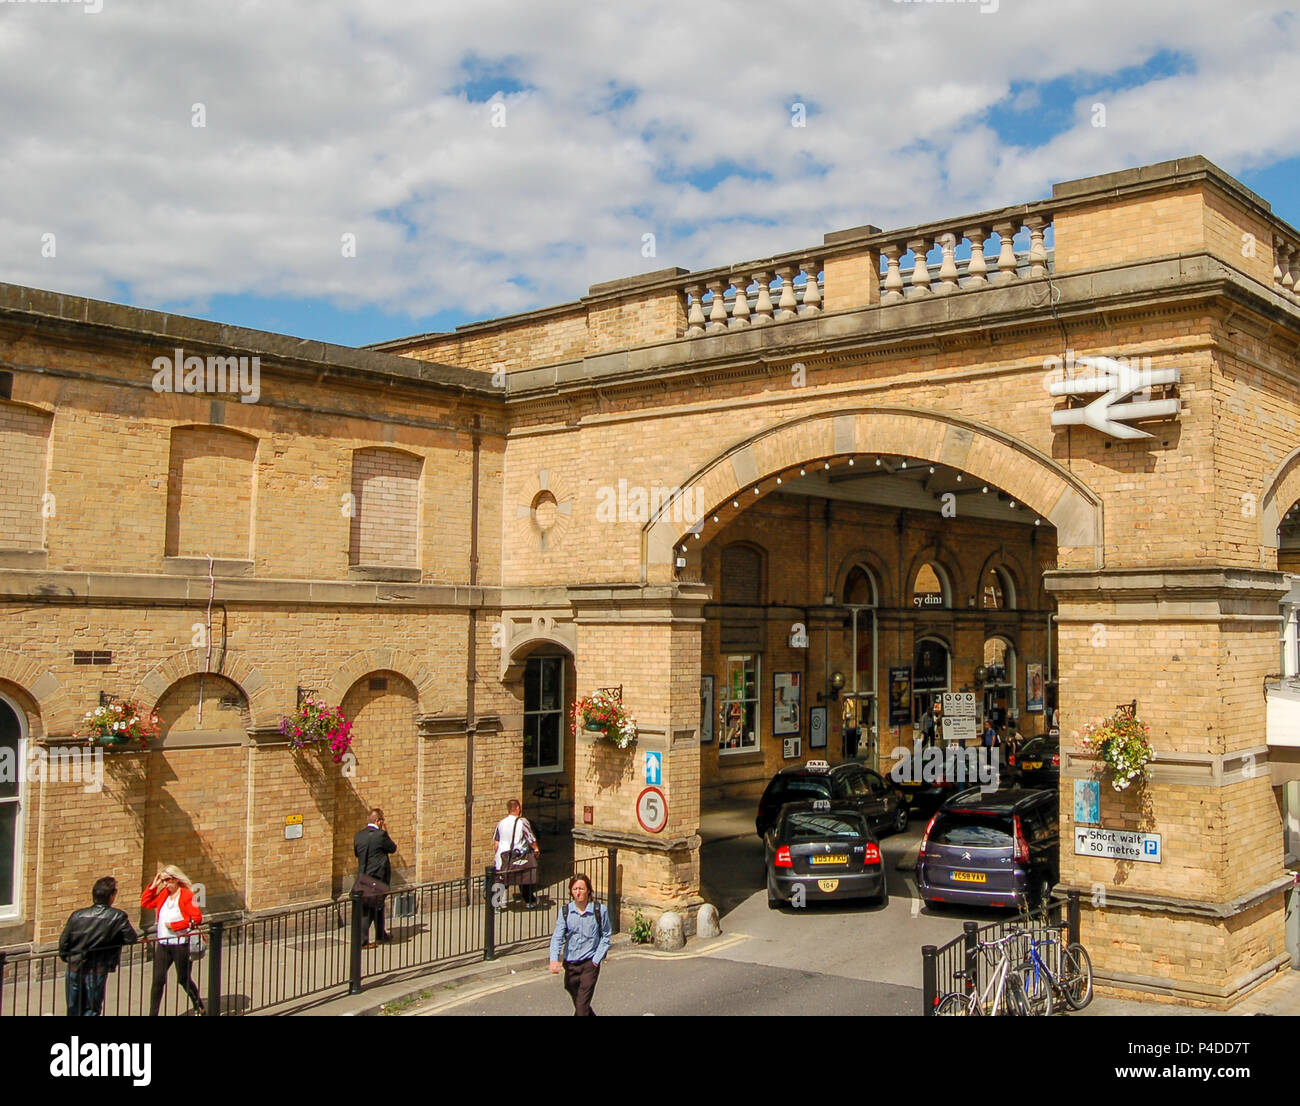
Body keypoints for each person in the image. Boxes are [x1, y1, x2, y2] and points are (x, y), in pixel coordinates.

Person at [59, 876, 138, 1016]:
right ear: (111, 896)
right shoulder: (117, 916)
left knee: (73, 1007)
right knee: (92, 1008)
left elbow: (64, 942)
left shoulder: (77, 915)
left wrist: (68, 957)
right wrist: (112, 940)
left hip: (75, 966)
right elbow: (131, 938)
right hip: (97, 968)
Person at [141, 865, 204, 1016]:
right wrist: (153, 886)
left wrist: (175, 926)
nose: (165, 884)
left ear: (176, 879)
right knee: (157, 981)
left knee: (183, 979)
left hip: (180, 944)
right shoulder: (163, 894)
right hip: (163, 944)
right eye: (162, 881)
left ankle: (198, 1005)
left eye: (167, 880)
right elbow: (146, 903)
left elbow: (197, 918)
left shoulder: (188, 895)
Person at [549, 873, 612, 1016]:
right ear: (571, 891)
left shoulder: (599, 910)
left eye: (582, 889)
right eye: (575, 889)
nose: (578, 892)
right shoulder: (565, 911)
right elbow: (557, 937)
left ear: (588, 890)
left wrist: (596, 960)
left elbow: (606, 935)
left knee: (582, 1007)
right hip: (570, 963)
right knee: (579, 1002)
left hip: (590, 963)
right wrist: (554, 959)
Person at [354, 807, 396, 947]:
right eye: (382, 820)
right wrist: (385, 831)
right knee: (370, 909)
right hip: (377, 878)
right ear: (378, 821)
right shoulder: (381, 836)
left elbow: (357, 853)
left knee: (377, 906)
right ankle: (363, 941)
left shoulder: (359, 836)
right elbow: (392, 848)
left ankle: (381, 934)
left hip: (363, 877)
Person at [493, 798, 541, 909]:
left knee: (502, 880)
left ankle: (497, 905)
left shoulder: (501, 823)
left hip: (502, 857)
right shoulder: (522, 822)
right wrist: (536, 849)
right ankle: (529, 901)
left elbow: (496, 843)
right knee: (524, 879)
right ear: (518, 808)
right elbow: (530, 838)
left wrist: (496, 856)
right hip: (518, 856)